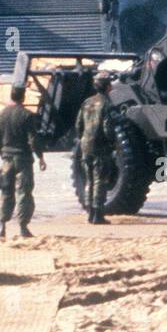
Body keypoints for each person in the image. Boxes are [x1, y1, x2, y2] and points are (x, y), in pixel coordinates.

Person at [0, 85, 46, 238]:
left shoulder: (1, 115)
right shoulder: (27, 115)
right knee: (24, 193)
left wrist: (3, 155)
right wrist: (41, 157)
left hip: (7, 159)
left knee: (5, 192)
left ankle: (1, 227)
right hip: (23, 160)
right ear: (23, 97)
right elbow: (33, 140)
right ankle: (23, 228)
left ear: (11, 96)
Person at [74, 74, 112, 224]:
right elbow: (107, 128)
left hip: (86, 145)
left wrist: (83, 139)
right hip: (100, 146)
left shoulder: (87, 102)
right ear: (108, 87)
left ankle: (89, 213)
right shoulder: (106, 104)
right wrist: (112, 143)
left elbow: (78, 125)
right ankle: (98, 214)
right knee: (99, 180)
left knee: (89, 180)